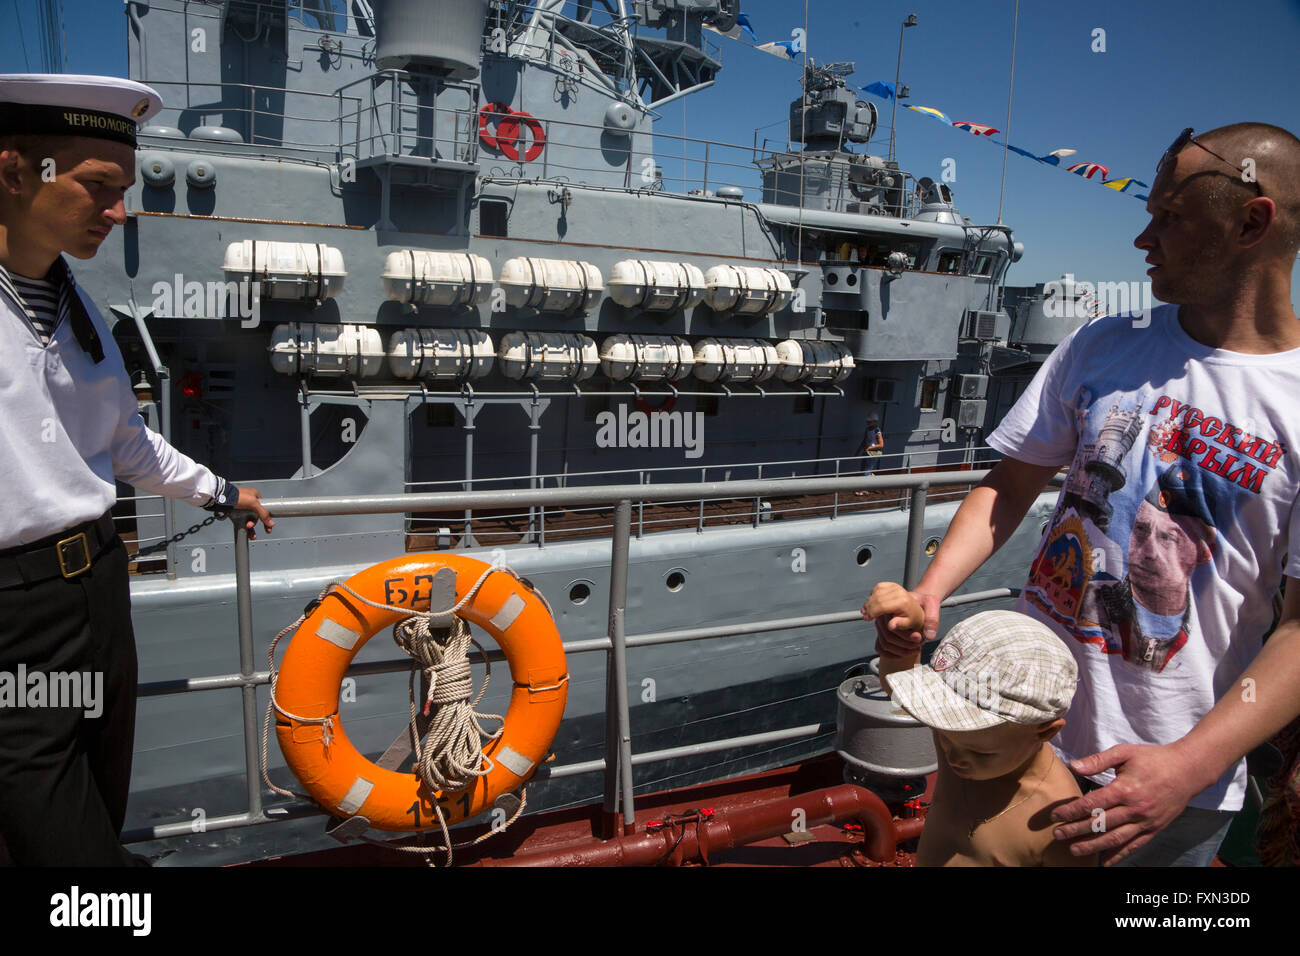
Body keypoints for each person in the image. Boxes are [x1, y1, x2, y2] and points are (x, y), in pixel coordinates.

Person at [872, 123, 1300, 866]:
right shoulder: (1104, 342)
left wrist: (1190, 766)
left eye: (1168, 216)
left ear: (1251, 224)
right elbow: (1010, 485)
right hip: (1009, 730)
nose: (1142, 237)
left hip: (1159, 780)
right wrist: (932, 592)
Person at [0, 74, 274, 866]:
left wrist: (220, 491)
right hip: (15, 618)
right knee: (60, 835)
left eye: (121, 190)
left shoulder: (74, 299)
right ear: (16, 169)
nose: (119, 211)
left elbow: (124, 442)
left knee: (95, 789)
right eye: (98, 187)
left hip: (92, 598)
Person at [855, 416, 885, 495]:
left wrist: (871, 447)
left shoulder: (877, 430)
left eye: (869, 421)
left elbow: (881, 445)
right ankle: (877, 486)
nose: (867, 422)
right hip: (866, 452)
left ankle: (864, 490)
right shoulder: (867, 429)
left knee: (867, 471)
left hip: (873, 454)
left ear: (874, 421)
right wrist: (858, 451)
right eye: (867, 421)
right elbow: (864, 441)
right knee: (865, 470)